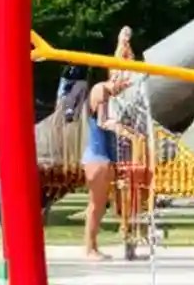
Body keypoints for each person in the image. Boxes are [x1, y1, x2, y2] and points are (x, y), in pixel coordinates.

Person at [81, 75, 135, 260]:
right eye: (122, 85)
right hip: (97, 158)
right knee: (96, 206)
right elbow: (102, 121)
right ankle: (89, 249)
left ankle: (93, 247)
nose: (122, 90)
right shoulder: (101, 89)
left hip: (103, 157)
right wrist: (125, 130)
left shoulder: (108, 94)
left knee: (100, 206)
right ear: (115, 78)